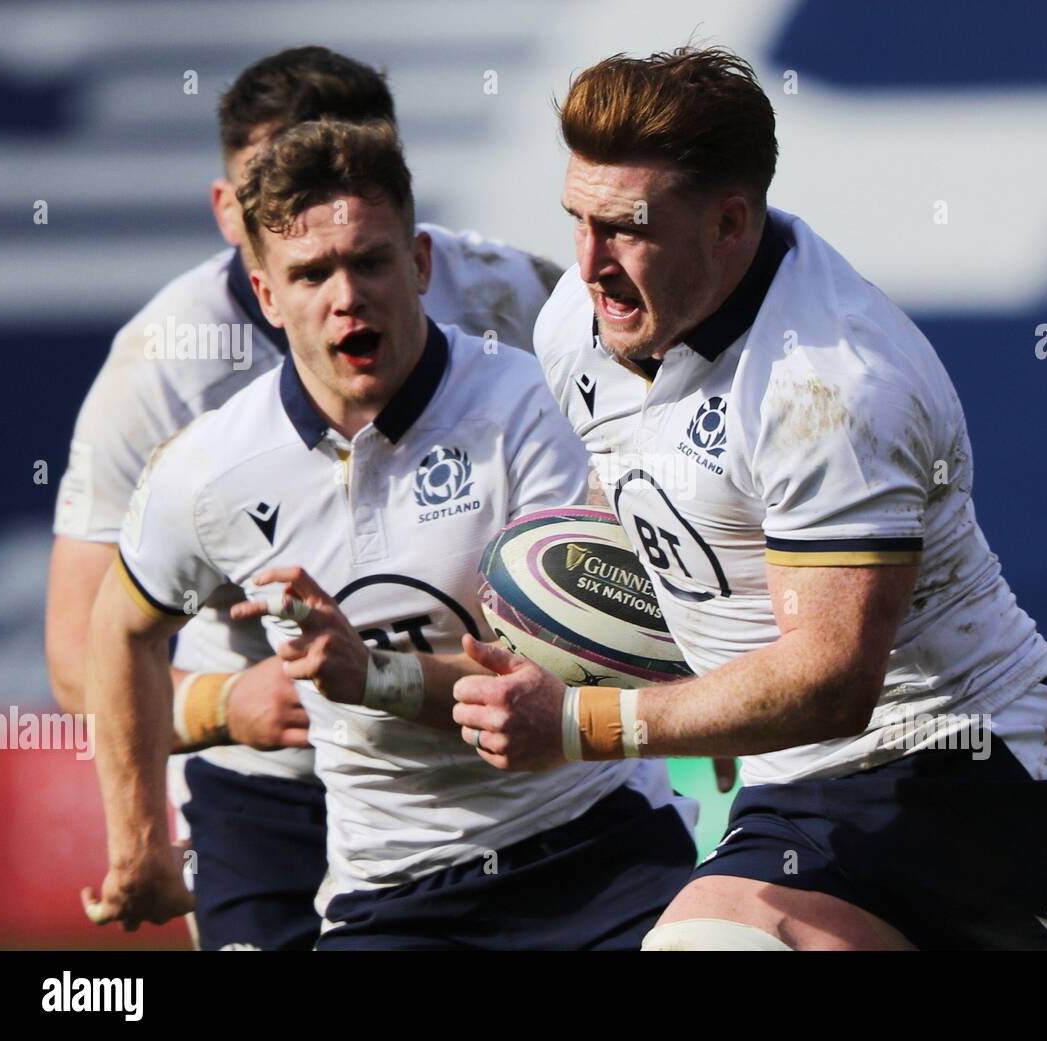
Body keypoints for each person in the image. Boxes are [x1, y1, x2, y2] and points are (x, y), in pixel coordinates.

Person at [451, 46, 1047, 951]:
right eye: (577, 218)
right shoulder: (579, 323)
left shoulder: (835, 383)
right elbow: (648, 513)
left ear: (729, 222)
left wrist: (580, 723)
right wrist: (693, 675)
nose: (590, 262)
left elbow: (831, 681)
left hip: (994, 773)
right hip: (802, 797)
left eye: (627, 229)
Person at [81, 118, 697, 951]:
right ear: (266, 295)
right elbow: (120, 629)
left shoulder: (534, 406)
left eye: (370, 260)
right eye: (310, 274)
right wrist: (139, 840)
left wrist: (371, 675)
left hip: (598, 845)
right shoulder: (211, 469)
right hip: (394, 891)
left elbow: (555, 688)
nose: (346, 296)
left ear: (419, 263)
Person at [49, 46, 560, 950]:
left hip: (486, 772)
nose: (321, 205)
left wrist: (679, 661)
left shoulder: (513, 292)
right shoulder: (165, 371)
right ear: (236, 223)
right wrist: (219, 706)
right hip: (270, 776)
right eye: (281, 197)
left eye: (356, 185)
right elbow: (79, 653)